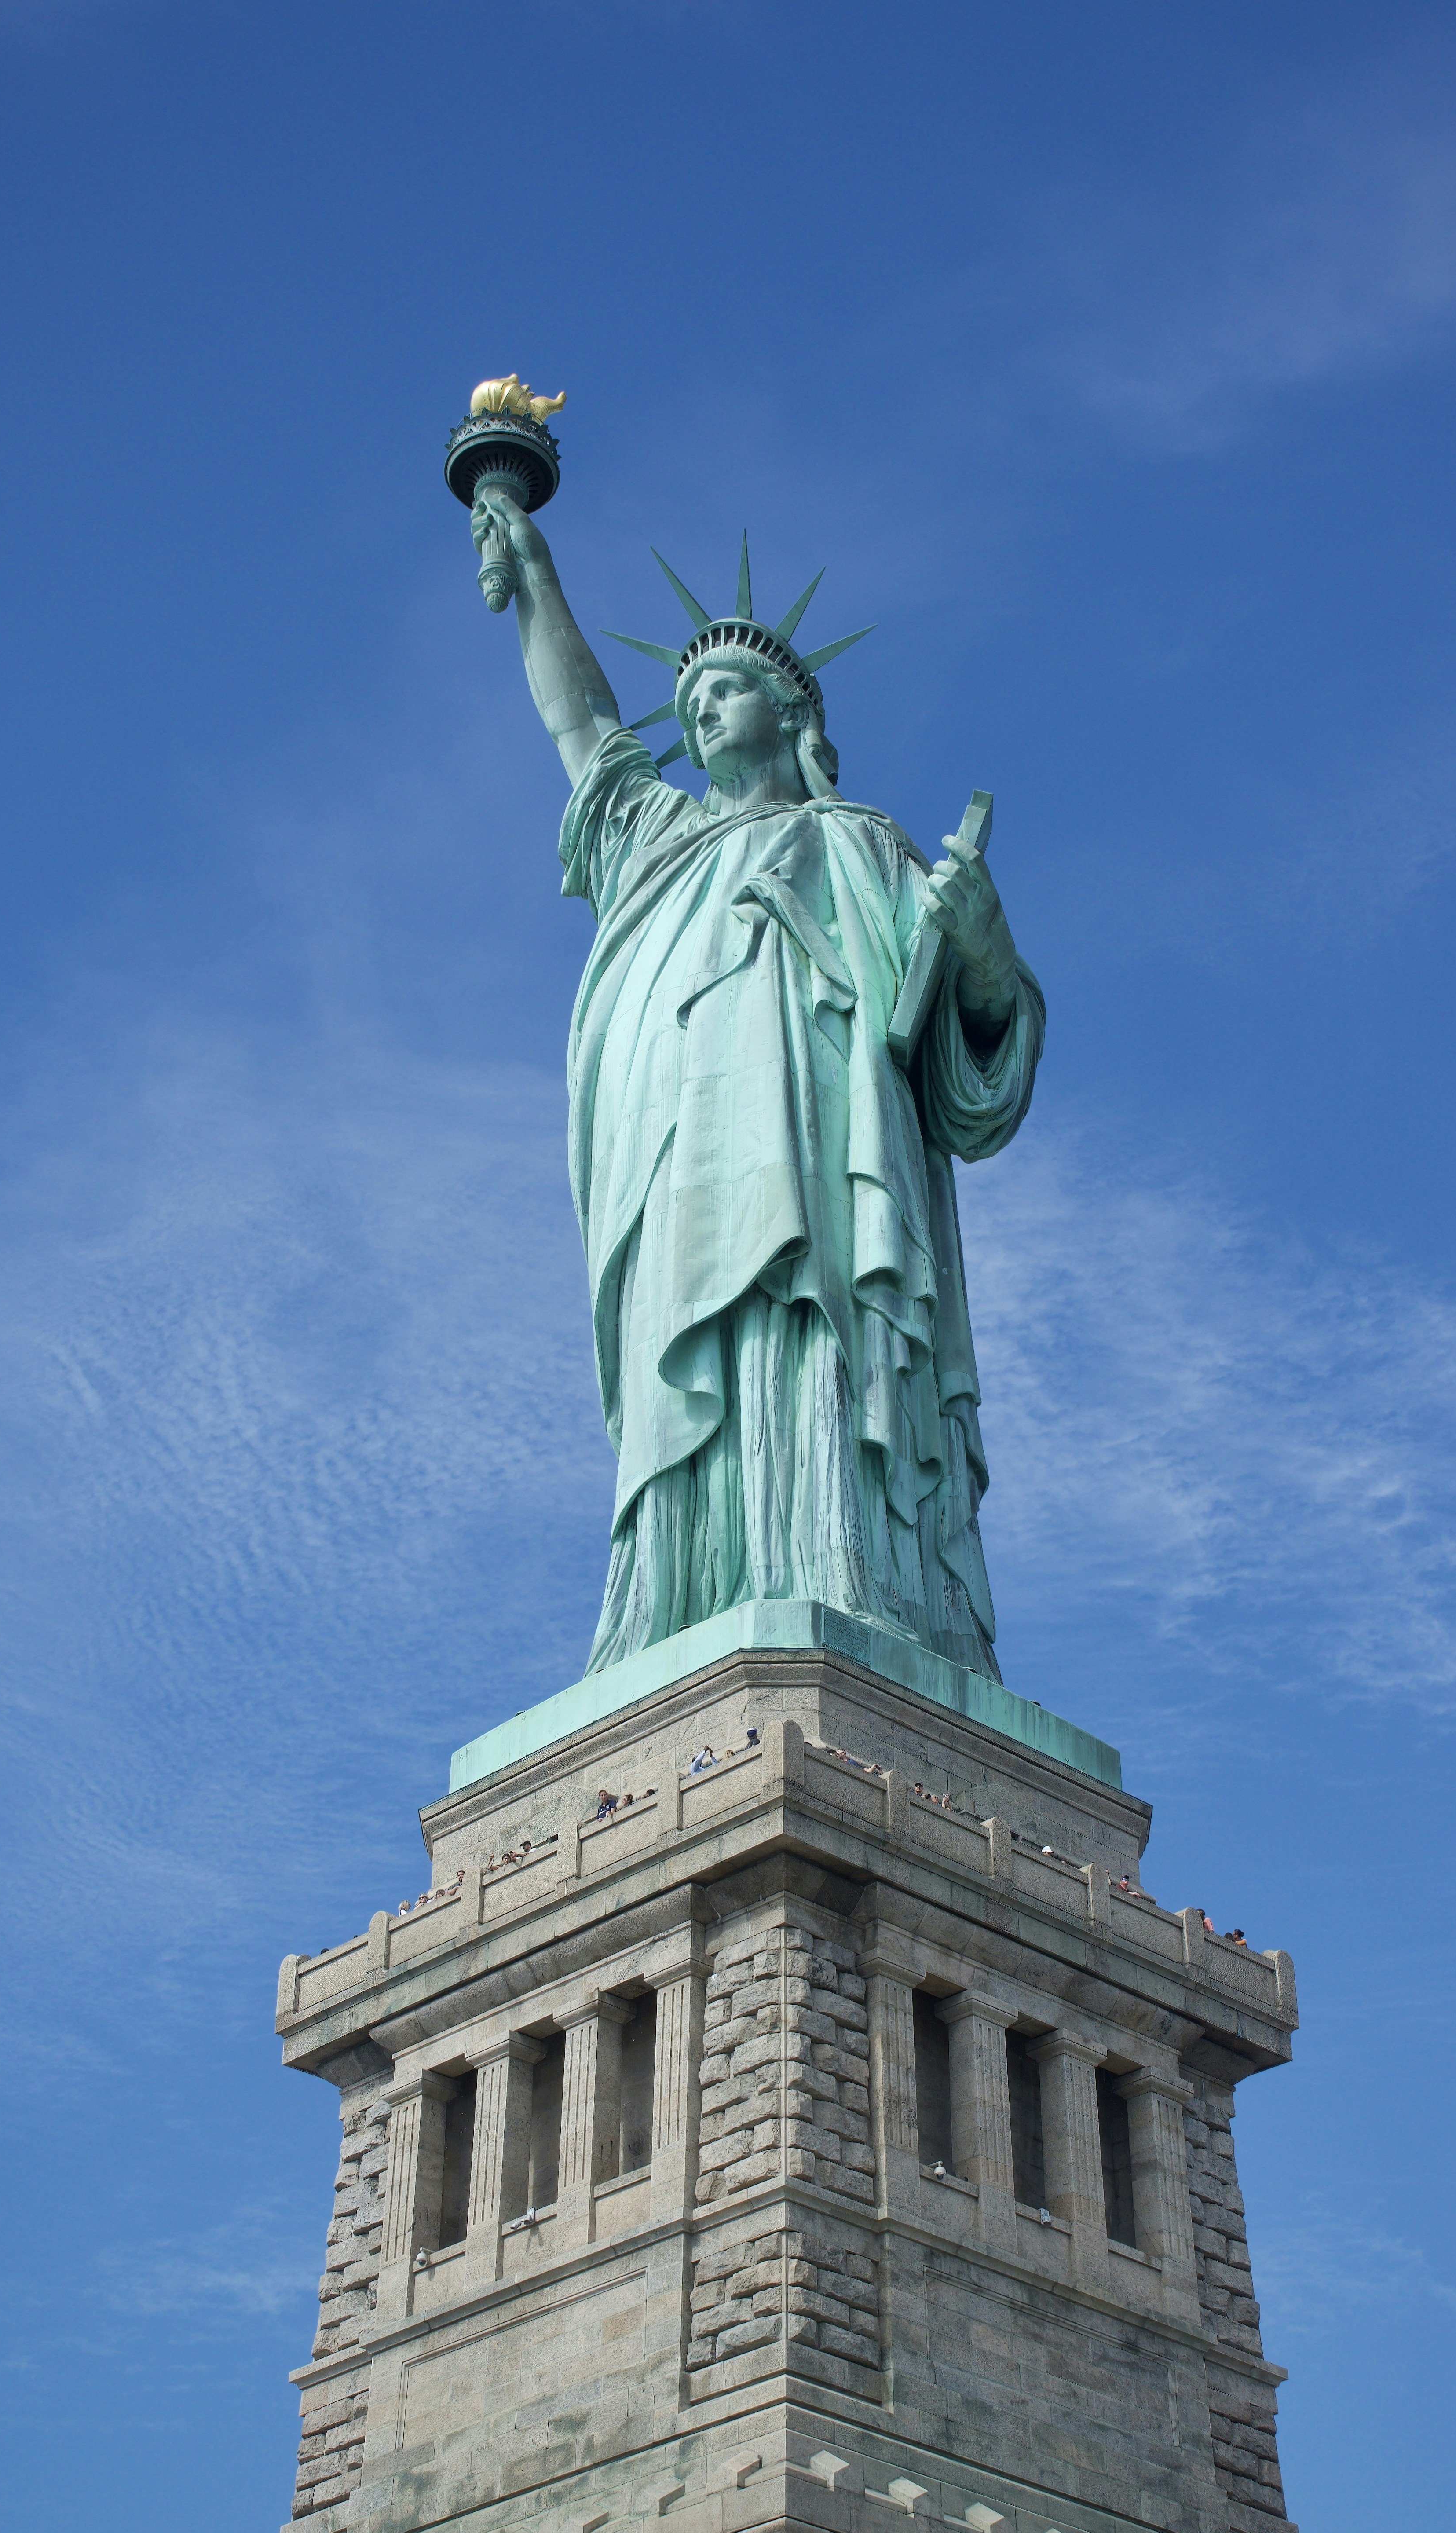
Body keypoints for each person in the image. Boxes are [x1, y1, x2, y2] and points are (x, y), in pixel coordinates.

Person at [472, 489, 1045, 1677]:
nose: (698, 710)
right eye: (685, 703)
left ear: (793, 713)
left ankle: (844, 1574)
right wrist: (535, 579)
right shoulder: (656, 844)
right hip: (683, 1173)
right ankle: (681, 1603)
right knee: (701, 1360)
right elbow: (582, 728)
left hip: (832, 1174)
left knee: (813, 1344)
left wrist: (980, 947)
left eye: (724, 690)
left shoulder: (862, 845)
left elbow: (970, 1080)